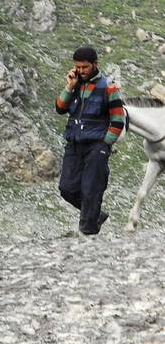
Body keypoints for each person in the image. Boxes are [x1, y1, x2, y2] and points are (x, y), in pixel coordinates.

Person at [56, 46, 125, 235]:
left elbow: (118, 119)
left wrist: (105, 144)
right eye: (77, 67)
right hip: (74, 144)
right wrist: (69, 87)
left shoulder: (108, 86)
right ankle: (96, 215)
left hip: (96, 146)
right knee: (66, 188)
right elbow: (60, 108)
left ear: (95, 64)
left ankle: (87, 233)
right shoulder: (75, 84)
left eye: (84, 67)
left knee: (90, 190)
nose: (81, 71)